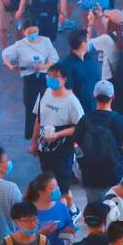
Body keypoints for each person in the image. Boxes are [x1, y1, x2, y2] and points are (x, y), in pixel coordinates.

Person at [72, 80, 123, 203]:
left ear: (94, 96)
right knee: (116, 213)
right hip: (114, 174)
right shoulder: (121, 121)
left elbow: (76, 144)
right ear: (113, 97)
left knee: (95, 212)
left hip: (90, 175)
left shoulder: (85, 120)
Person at [31, 63, 84, 194]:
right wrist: (34, 143)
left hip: (63, 151)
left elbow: (80, 127)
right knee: (47, 183)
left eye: (55, 76)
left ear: (64, 79)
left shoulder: (72, 101)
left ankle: (68, 209)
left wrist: (58, 134)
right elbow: (38, 119)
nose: (50, 79)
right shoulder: (44, 93)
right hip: (44, 148)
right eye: (49, 75)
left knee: (62, 185)